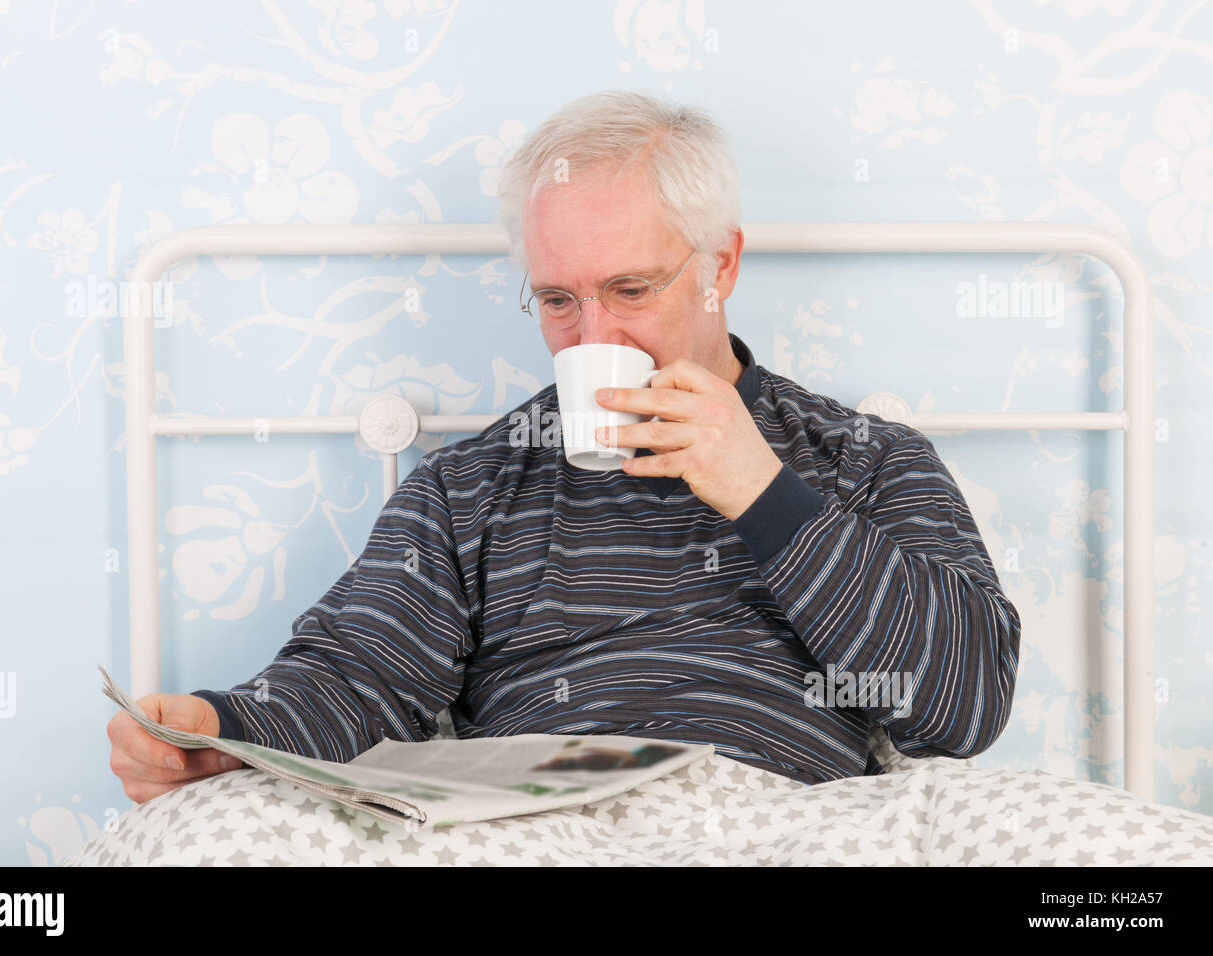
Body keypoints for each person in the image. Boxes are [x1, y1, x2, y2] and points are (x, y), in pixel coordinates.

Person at [108, 89, 1021, 804]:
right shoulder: (472, 487)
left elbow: (966, 705)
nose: (592, 339)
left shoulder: (863, 456)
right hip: (540, 833)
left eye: (630, 289)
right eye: (557, 301)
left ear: (722, 267)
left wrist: (764, 494)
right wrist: (217, 728)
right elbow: (355, 676)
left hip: (782, 823)